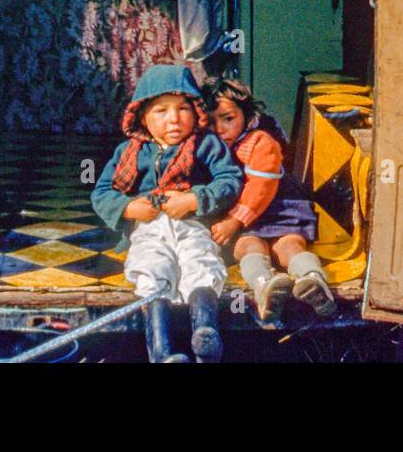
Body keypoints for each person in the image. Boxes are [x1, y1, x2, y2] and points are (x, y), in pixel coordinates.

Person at [91, 63, 243, 362]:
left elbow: (230, 180)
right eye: (161, 111)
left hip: (193, 224)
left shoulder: (206, 145)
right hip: (148, 229)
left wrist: (194, 199)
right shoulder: (129, 152)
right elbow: (102, 193)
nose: (173, 119)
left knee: (199, 263)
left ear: (197, 112)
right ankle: (161, 352)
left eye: (183, 109)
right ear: (142, 116)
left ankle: (205, 334)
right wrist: (129, 207)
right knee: (153, 269)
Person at [203, 77, 334, 322]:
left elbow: (261, 189)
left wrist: (233, 222)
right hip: (245, 222)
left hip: (279, 208)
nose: (219, 129)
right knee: (248, 248)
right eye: (211, 121)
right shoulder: (210, 147)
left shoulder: (261, 141)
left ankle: (313, 280)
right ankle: (266, 287)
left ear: (247, 115)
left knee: (289, 245)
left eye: (228, 118)